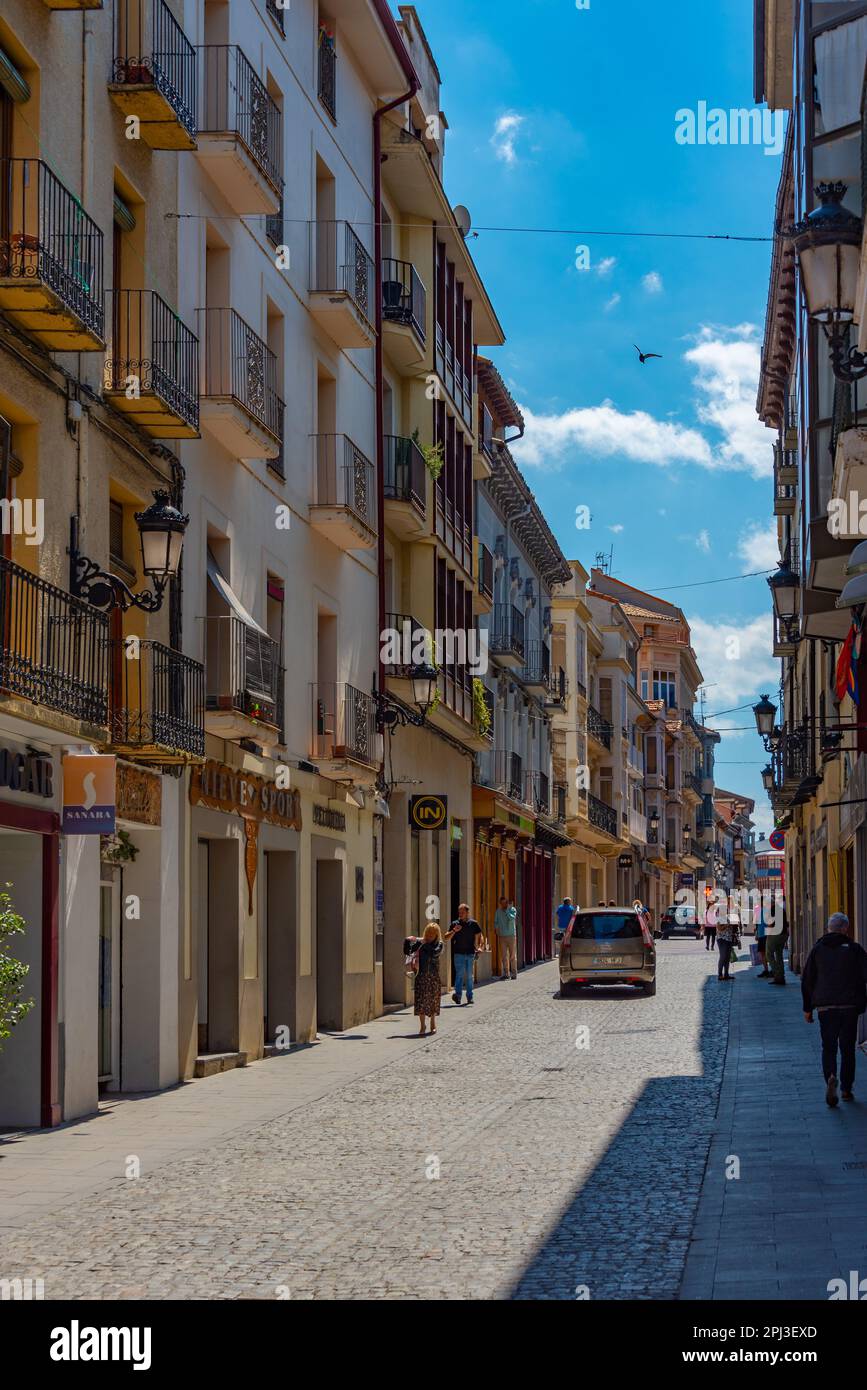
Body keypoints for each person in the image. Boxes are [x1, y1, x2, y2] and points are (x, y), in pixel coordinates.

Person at [802, 912, 867, 1106]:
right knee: (847, 1048)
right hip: (849, 1006)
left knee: (828, 1047)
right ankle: (846, 1089)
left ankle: (830, 1077)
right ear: (845, 928)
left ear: (829, 929)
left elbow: (807, 980)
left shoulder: (817, 949)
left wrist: (807, 1008)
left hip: (825, 1006)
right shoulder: (854, 950)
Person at [407, 922, 444, 1036]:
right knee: (421, 1002)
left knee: (433, 1001)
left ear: (437, 934)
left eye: (432, 933)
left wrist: (422, 943)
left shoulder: (439, 944)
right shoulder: (420, 943)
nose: (429, 936)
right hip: (421, 975)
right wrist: (410, 941)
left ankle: (433, 1023)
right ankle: (422, 1025)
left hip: (433, 976)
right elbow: (408, 950)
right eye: (428, 933)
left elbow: (434, 953)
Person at [446, 903, 483, 1005]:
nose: (460, 914)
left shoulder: (473, 924)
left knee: (470, 977)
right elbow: (446, 937)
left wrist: (480, 946)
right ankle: (458, 996)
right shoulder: (455, 923)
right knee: (459, 975)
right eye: (459, 912)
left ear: (467, 912)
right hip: (458, 954)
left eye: (462, 912)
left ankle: (469, 997)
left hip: (470, 954)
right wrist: (454, 930)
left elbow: (480, 936)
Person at [494, 896, 518, 980]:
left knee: (512, 955)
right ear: (500, 903)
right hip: (502, 936)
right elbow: (496, 922)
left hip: (511, 935)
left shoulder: (512, 909)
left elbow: (512, 918)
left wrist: (507, 910)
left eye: (505, 903)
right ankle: (506, 974)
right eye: (502, 903)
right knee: (504, 956)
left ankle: (514, 974)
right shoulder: (498, 911)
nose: (503, 904)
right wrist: (497, 930)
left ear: (507, 903)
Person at [765, 903, 789, 986]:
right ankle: (781, 977)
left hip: (775, 934)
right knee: (779, 955)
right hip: (784, 934)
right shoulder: (782, 910)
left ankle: (777, 974)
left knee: (769, 954)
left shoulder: (771, 910)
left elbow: (770, 924)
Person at [716, 912, 739, 981]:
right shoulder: (719, 919)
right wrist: (728, 924)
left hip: (729, 939)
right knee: (723, 957)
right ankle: (720, 975)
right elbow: (720, 928)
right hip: (722, 940)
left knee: (727, 958)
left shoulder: (729, 918)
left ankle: (726, 974)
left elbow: (734, 927)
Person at [755, 897, 770, 976]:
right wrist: (757, 934)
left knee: (766, 953)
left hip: (765, 935)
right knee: (763, 953)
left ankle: (769, 970)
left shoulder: (766, 911)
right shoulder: (759, 911)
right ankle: (766, 970)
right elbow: (757, 924)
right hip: (761, 934)